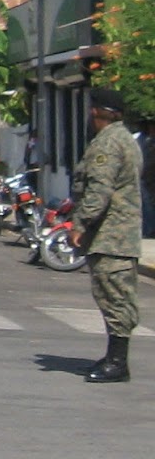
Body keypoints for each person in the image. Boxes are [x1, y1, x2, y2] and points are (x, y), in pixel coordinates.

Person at [68, 88, 144, 383]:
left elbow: (99, 190)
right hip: (119, 234)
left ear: (98, 112)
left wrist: (81, 223)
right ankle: (115, 356)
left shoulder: (107, 144)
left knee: (114, 297)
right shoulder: (124, 137)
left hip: (112, 236)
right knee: (116, 296)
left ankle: (117, 362)